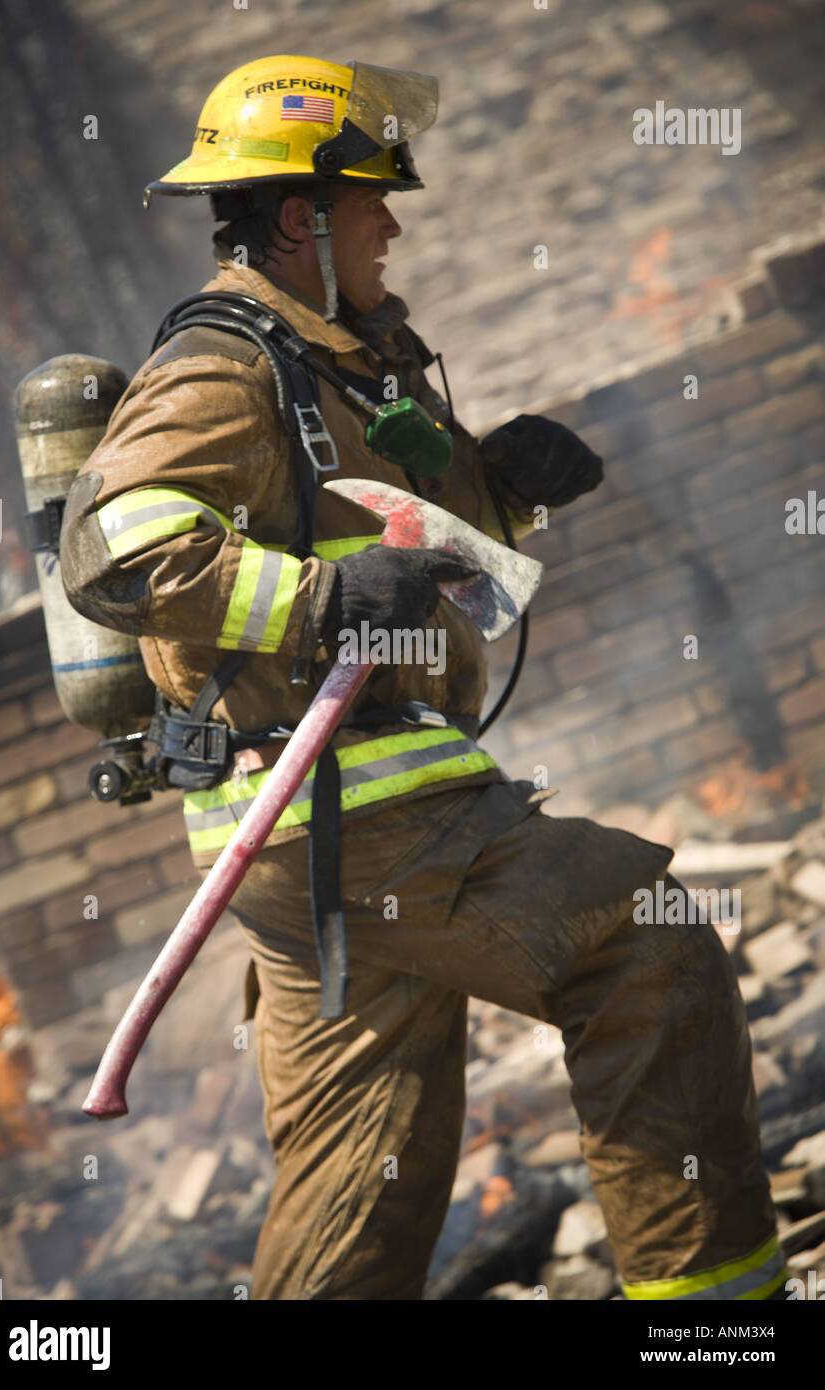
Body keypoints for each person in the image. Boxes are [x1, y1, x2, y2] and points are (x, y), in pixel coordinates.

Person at [61, 54, 786, 1301]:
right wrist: (313, 598)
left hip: (322, 844)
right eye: (369, 202)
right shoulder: (222, 368)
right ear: (301, 219)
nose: (392, 222)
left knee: (361, 1170)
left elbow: (407, 550)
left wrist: (507, 488)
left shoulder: (342, 365)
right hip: (356, 810)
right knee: (649, 948)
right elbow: (112, 549)